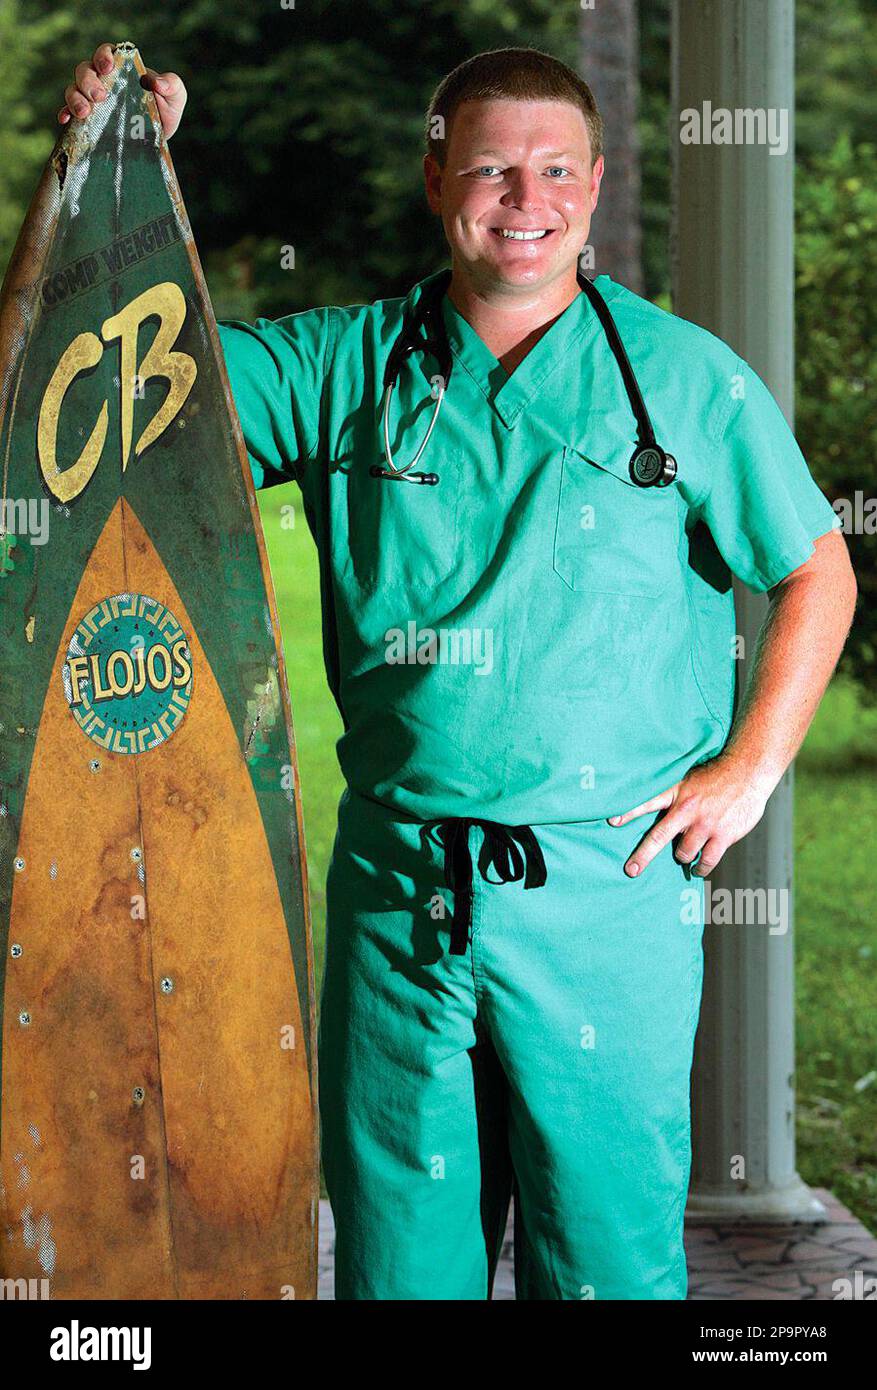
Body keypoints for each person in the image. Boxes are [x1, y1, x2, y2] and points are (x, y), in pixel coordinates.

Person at [62, 43, 856, 1301]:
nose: (523, 197)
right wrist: (124, 172)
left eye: (552, 169)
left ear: (594, 186)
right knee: (398, 1264)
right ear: (436, 179)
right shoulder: (342, 367)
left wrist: (749, 771)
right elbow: (123, 387)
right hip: (399, 891)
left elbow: (818, 566)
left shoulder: (683, 381)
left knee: (603, 1262)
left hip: (608, 888)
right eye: (489, 167)